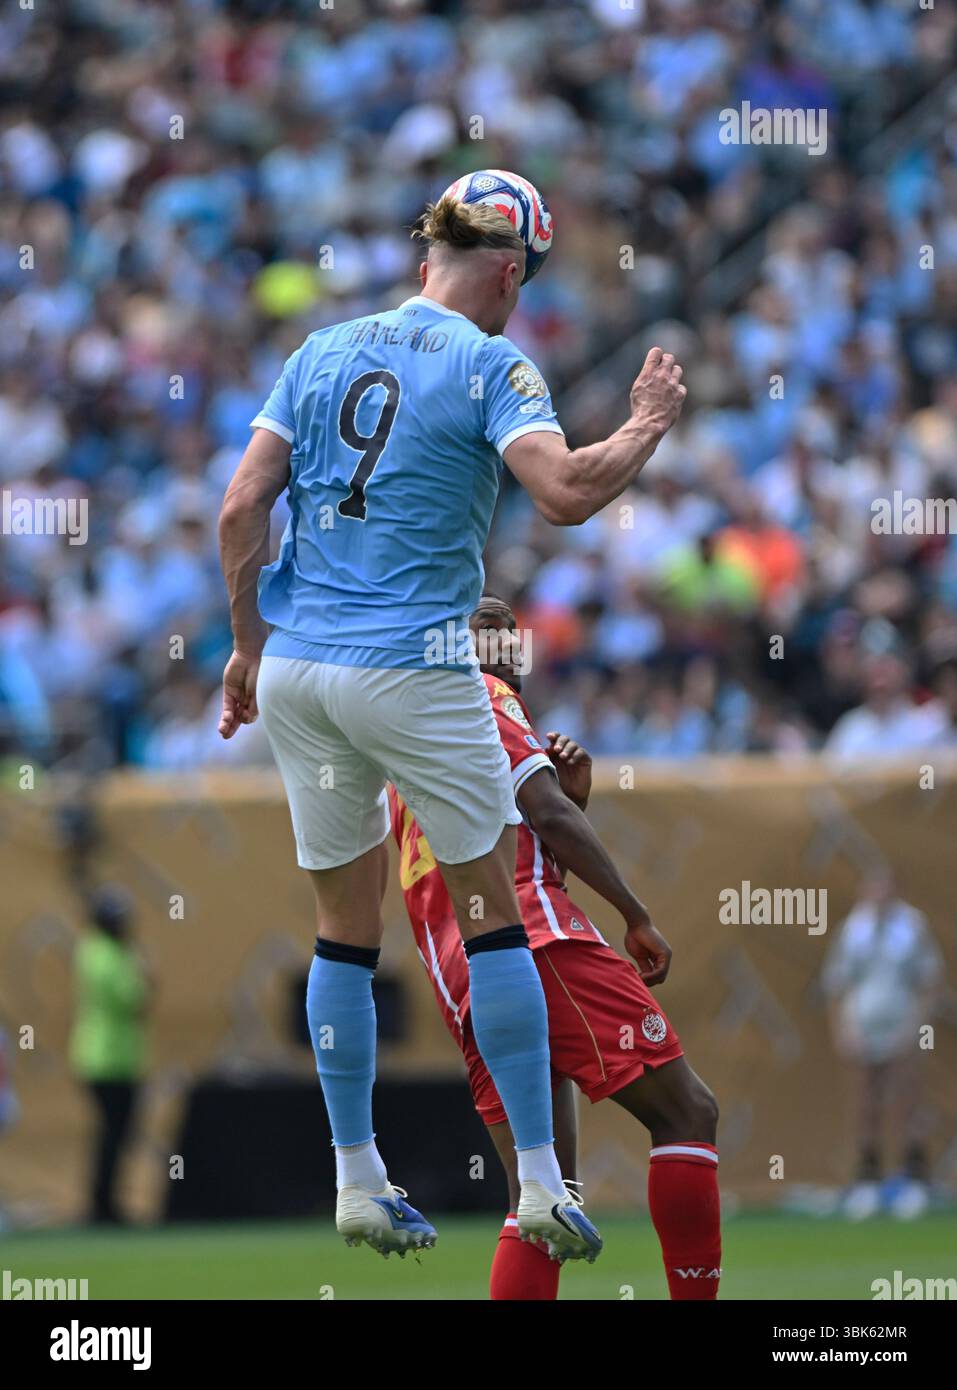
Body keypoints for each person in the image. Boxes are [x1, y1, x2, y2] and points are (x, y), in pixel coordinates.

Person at [217, 183, 686, 1260]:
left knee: (345, 930)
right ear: (512, 271)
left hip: (298, 669)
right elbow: (565, 492)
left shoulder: (322, 349)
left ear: (429, 250)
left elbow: (242, 507)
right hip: (414, 665)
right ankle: (538, 1180)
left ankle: (356, 1175)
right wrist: (648, 423)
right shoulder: (490, 363)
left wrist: (246, 646)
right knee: (493, 915)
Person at [390, 595, 721, 1297]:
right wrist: (633, 913)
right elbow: (546, 814)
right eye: (481, 626)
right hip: (535, 942)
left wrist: (569, 798)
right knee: (688, 1112)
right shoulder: (481, 695)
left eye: (509, 627)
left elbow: (505, 843)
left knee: (542, 1195)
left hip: (467, 977)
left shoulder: (402, 743)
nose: (502, 636)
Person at [823, 868, 943, 1220]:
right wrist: (844, 1028)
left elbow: (929, 979)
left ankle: (914, 1177)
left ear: (895, 889)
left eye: (885, 887)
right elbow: (837, 984)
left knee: (907, 1098)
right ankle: (867, 1179)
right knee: (865, 1102)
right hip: (863, 1024)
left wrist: (917, 1025)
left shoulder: (912, 927)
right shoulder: (852, 930)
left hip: (903, 1024)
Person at [69, 887, 150, 1225]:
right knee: (115, 1133)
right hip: (109, 1059)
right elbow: (133, 998)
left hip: (106, 1057)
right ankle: (103, 1205)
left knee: (114, 1133)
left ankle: (105, 1201)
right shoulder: (109, 955)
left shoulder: (91, 950)